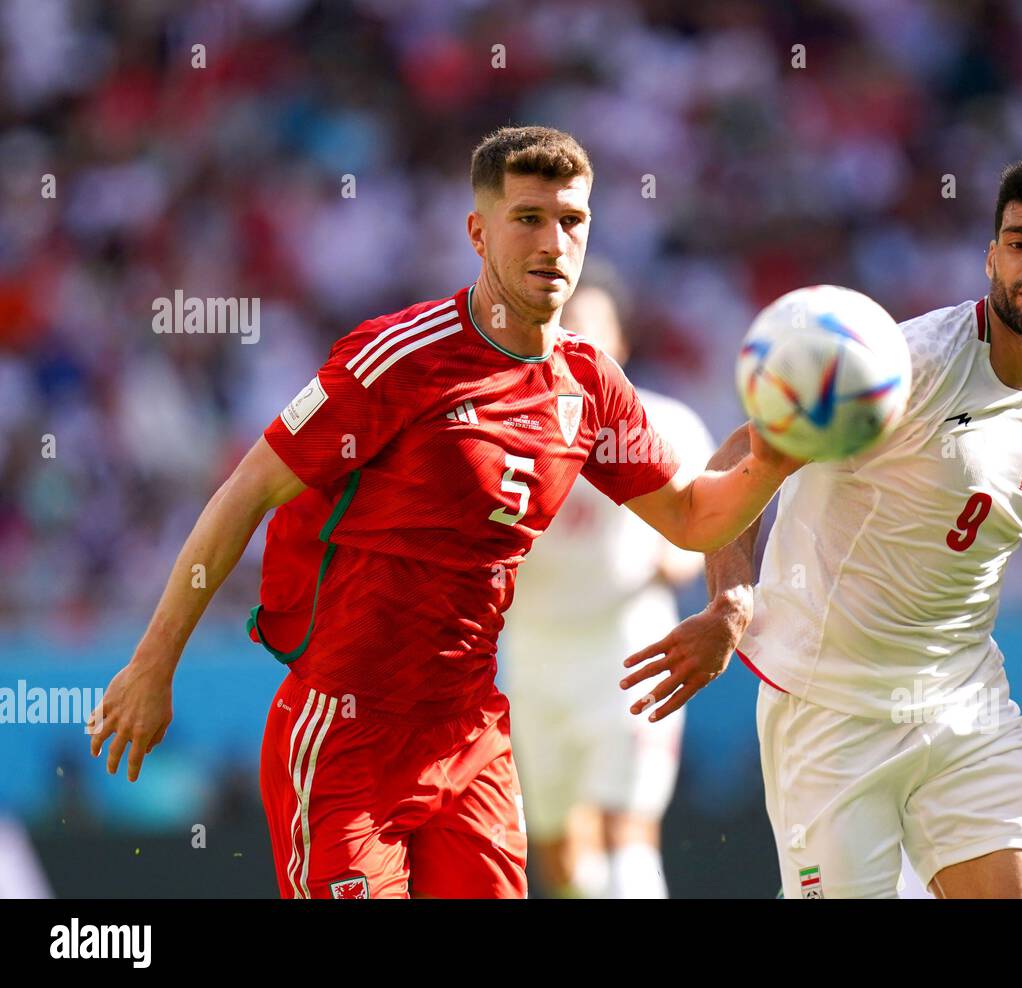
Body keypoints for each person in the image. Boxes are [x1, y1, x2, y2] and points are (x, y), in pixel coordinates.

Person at [88, 126, 802, 899]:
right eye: (527, 218)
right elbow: (245, 493)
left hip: (470, 737)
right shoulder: (399, 358)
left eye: (571, 221)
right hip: (347, 735)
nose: (553, 242)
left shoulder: (589, 382)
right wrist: (153, 664)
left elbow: (692, 516)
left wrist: (775, 461)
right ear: (478, 232)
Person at [624, 151, 1022, 899]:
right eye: (1019, 242)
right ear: (991, 256)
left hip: (965, 708)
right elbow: (742, 454)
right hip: (829, 710)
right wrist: (730, 601)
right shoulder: (903, 366)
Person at [504, 269, 714, 898]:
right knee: (557, 847)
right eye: (564, 326)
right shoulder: (503, 426)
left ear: (620, 341)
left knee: (629, 824)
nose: (577, 339)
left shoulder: (665, 423)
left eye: (591, 327)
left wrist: (679, 557)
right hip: (533, 658)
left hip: (628, 648)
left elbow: (703, 533)